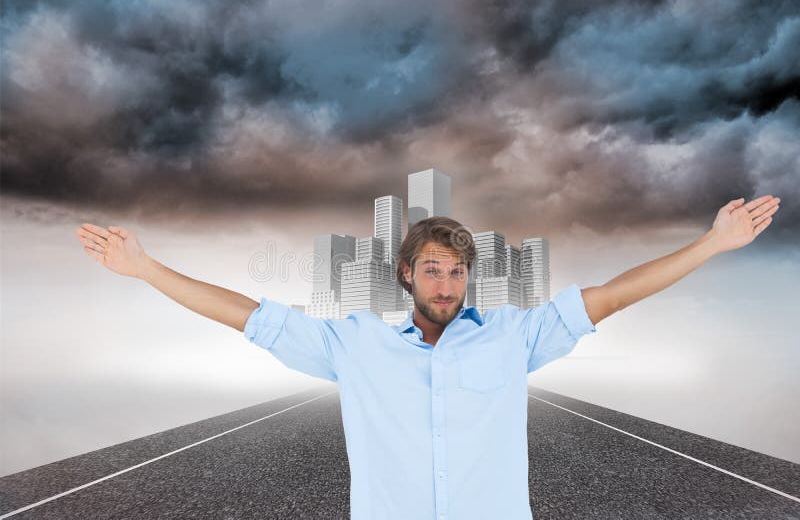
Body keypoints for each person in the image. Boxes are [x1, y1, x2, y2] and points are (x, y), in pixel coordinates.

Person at [74, 194, 780, 519]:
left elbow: (614, 295)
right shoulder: (354, 343)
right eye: (432, 269)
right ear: (407, 274)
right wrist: (148, 270)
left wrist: (712, 244)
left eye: (457, 271)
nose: (446, 284)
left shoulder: (513, 336)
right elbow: (249, 317)